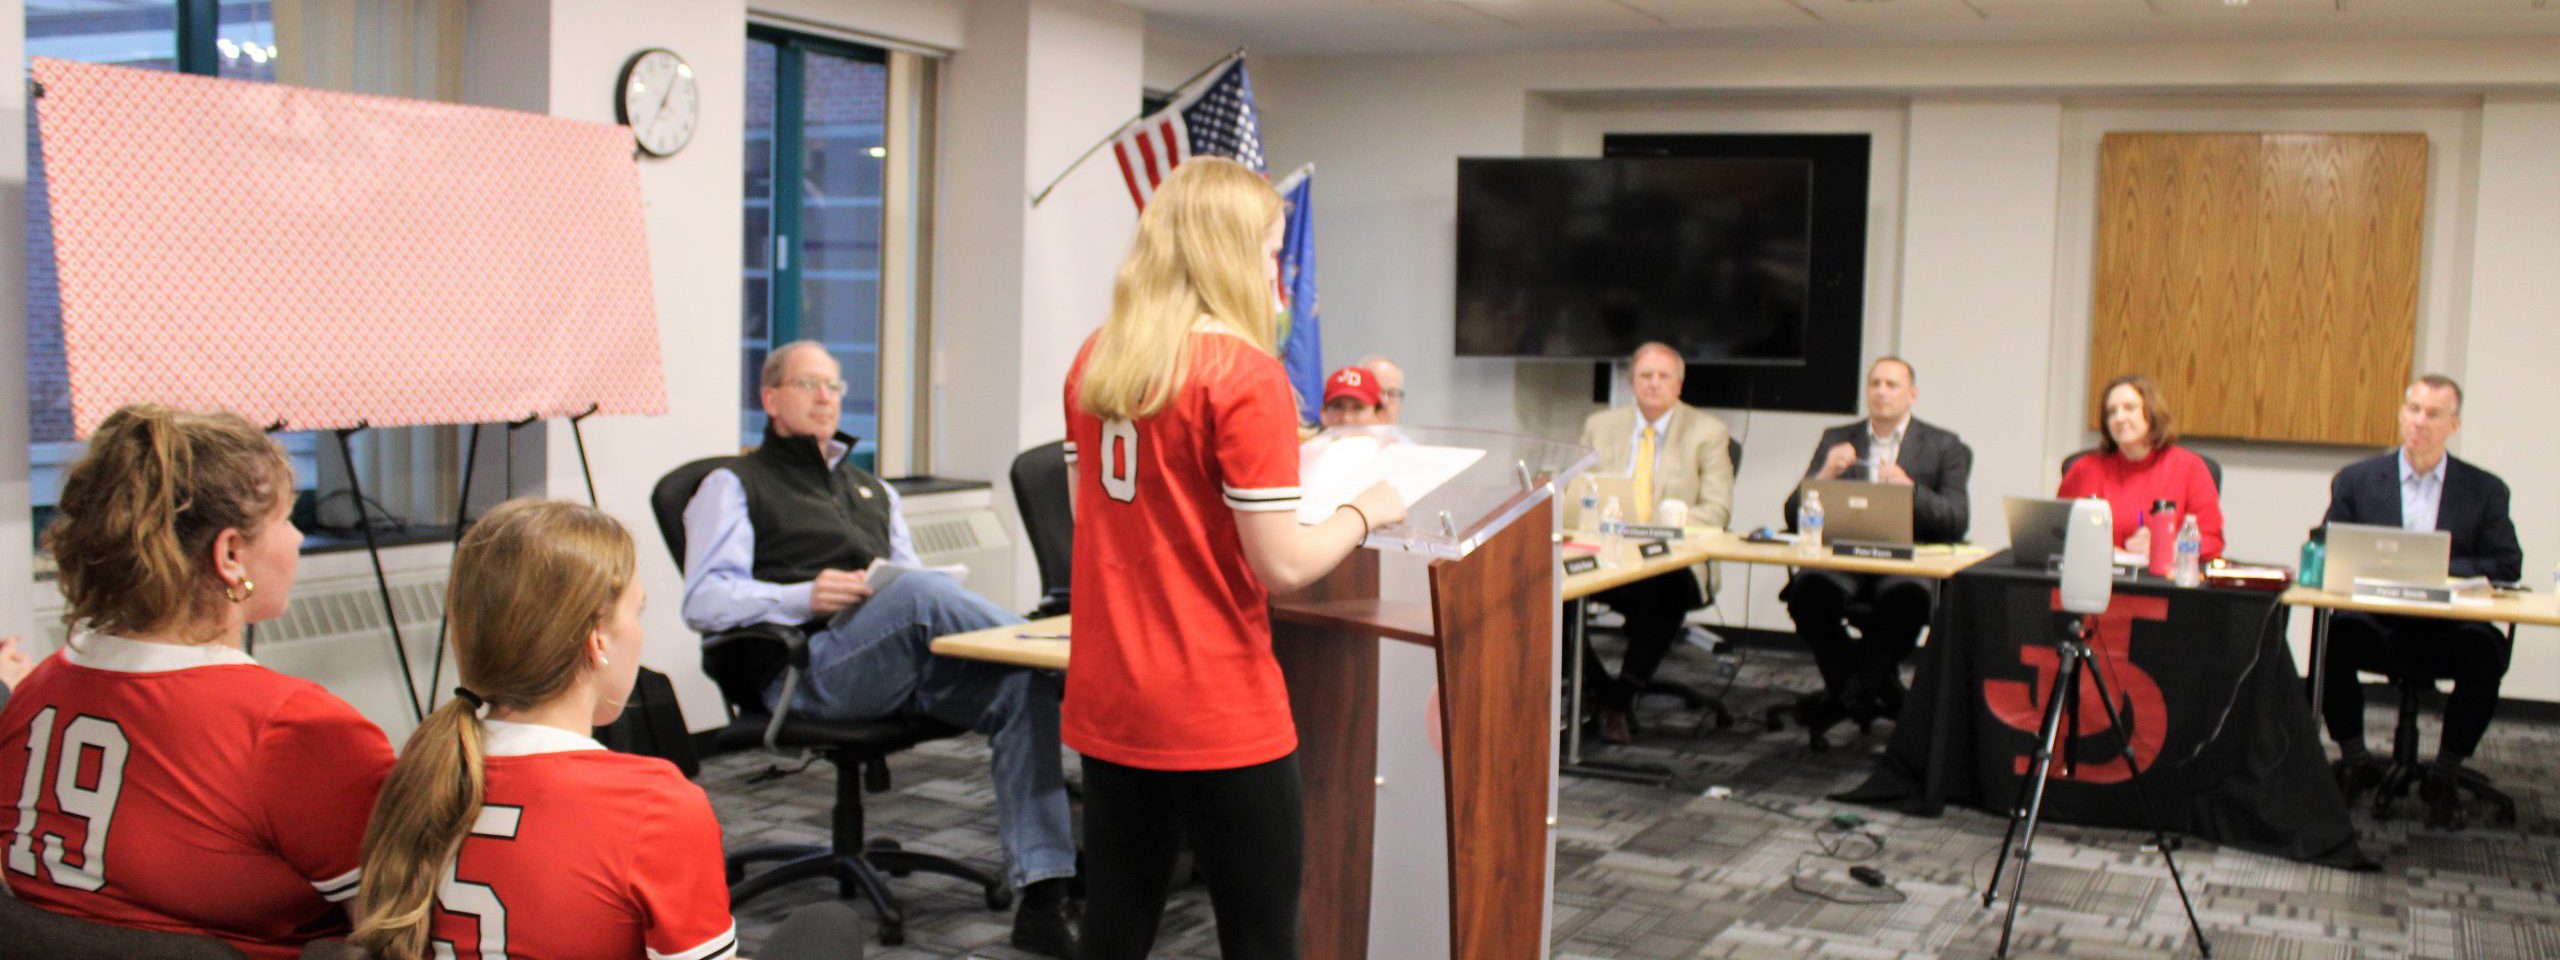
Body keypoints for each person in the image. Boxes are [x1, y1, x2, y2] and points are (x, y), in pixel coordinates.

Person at [1063, 156, 1406, 960]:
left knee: (1115, 926)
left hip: (1113, 696)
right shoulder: (1242, 373)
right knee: (1259, 939)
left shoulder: (1097, 359)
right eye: (1266, 249)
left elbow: (1099, 520)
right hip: (1216, 701)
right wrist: (1368, 509)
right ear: (1225, 250)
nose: (1273, 271)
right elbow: (1283, 565)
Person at [680, 341, 1077, 956]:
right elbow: (703, 600)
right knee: (922, 594)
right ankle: (1061, 659)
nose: (825, 397)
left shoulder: (872, 490)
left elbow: (912, 585)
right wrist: (801, 596)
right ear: (770, 399)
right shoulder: (732, 485)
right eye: (808, 384)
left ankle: (1045, 896)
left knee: (1018, 686)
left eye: (834, 386)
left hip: (891, 662)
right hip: (804, 672)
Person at [0, 405, 394, 959]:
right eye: (285, 518)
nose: (299, 538)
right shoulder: (295, 728)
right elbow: (404, 931)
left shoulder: (37, 691)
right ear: (231, 554)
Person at [349, 499, 736, 960]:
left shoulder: (416, 776)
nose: (640, 631)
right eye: (638, 611)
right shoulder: (653, 804)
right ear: (597, 639)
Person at [2318, 375, 2521, 829]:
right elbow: (2330, 546)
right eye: (2413, 410)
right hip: (2378, 623)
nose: (2420, 422)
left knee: (2486, 650)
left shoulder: (2485, 489)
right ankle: (2354, 759)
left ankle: (2444, 773)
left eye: (2433, 414)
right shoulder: (2357, 480)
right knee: (2335, 637)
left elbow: (2508, 563)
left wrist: (2443, 570)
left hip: (2449, 627)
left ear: (2454, 424)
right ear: (2401, 413)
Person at [1778, 357, 1972, 745]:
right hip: (1842, 556)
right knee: (1807, 596)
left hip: (1905, 558)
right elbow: (1792, 514)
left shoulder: (1944, 446)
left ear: (1911, 394)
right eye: (1875, 383)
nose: (1881, 391)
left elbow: (1955, 520)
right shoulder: (1837, 438)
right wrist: (1825, 475)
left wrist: (1910, 489)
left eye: (1892, 384)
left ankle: (1848, 696)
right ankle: (1869, 689)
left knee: (1908, 600)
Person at [1574, 341, 1735, 744]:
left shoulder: (1708, 433)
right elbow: (1577, 495)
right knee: (1551, 591)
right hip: (1609, 557)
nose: (1654, 384)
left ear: (1679, 385)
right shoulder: (1600, 426)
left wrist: (1651, 526)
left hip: (1669, 559)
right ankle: (1595, 684)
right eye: (1645, 375)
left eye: (1664, 376)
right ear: (1631, 383)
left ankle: (1620, 697)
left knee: (1668, 591)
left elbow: (1716, 511)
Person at [2057, 373, 2224, 561]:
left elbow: (2211, 541)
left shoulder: (2190, 467)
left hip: (2161, 583)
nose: (2119, 418)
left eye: (2129, 408)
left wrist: (2165, 548)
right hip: (2094, 580)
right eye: (2111, 411)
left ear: (2152, 412)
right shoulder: (2084, 469)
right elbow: (2057, 535)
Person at [1316, 365, 1386, 427]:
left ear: (1379, 415)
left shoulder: (1394, 441)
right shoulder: (1314, 442)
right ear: (1323, 413)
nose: (1346, 418)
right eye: (1337, 406)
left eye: (1358, 407)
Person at [1354, 354, 1406, 424]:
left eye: (1392, 394)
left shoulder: (1413, 434)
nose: (1384, 401)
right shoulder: (1340, 434)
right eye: (1376, 392)